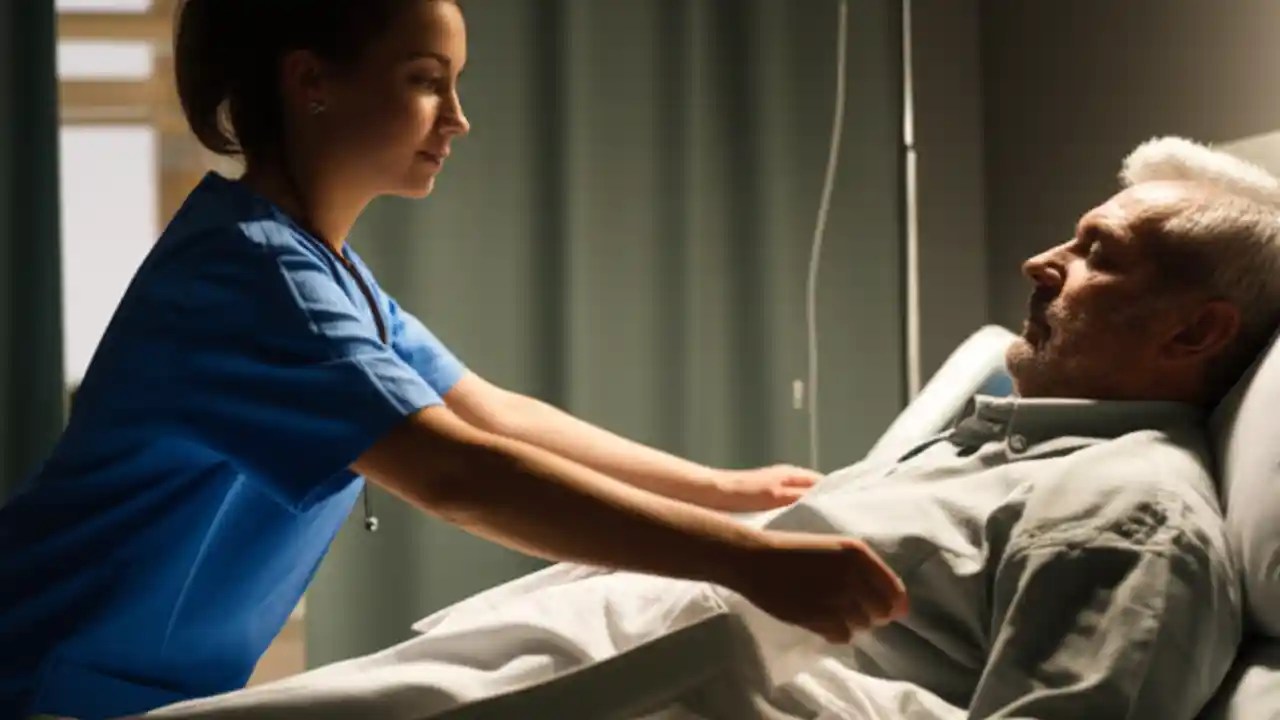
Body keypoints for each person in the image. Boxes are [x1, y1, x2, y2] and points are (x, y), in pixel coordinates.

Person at [0, 1, 908, 718]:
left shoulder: (317, 267)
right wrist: (747, 564)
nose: (459, 120)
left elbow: (493, 414)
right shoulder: (255, 277)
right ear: (312, 80)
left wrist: (728, 492)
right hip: (37, 677)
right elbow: (456, 472)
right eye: (427, 81)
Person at [739, 135, 1278, 718]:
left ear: (1194, 333)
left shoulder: (1125, 509)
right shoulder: (1005, 458)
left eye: (1098, 255)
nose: (1040, 264)